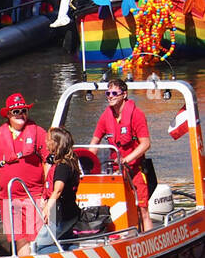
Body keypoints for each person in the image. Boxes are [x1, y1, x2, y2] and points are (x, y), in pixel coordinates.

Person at [0, 91, 48, 253]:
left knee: (38, 238)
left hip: (34, 195)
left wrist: (46, 194)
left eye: (23, 111)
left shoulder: (39, 133)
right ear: (8, 115)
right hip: (10, 198)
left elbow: (48, 162)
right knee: (20, 239)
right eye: (16, 111)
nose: (20, 115)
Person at [91, 76, 152, 231]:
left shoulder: (137, 115)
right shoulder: (106, 116)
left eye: (114, 93)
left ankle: (148, 237)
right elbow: (94, 142)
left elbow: (145, 144)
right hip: (115, 172)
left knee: (143, 209)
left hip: (135, 170)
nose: (110, 97)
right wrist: (87, 162)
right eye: (108, 94)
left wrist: (127, 159)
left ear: (124, 94)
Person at [40, 126, 84, 245]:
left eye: (49, 140)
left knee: (41, 243)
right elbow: (47, 180)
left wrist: (47, 208)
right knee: (64, 239)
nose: (46, 142)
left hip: (64, 214)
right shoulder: (60, 162)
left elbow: (58, 190)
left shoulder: (63, 167)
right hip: (63, 212)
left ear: (56, 143)